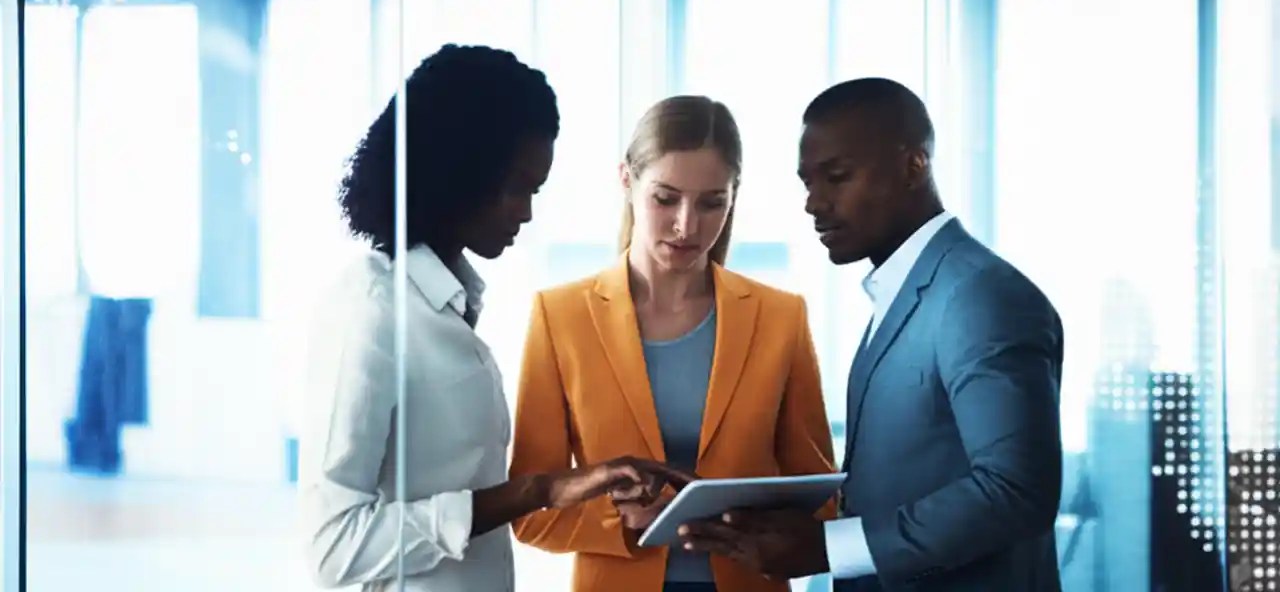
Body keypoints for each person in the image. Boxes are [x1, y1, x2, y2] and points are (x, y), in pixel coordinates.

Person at [299, 44, 677, 592]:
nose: (526, 212)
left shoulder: (449, 304)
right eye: (515, 188)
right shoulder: (371, 311)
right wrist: (534, 492)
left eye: (535, 190)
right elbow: (334, 548)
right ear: (457, 174)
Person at [678, 78, 1065, 591]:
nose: (814, 204)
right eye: (808, 183)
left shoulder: (979, 295)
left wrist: (828, 546)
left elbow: (1017, 490)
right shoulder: (906, 295)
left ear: (914, 165)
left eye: (837, 177)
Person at [508, 95, 837, 592]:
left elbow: (821, 498)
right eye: (666, 199)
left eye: (711, 202)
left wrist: (754, 525)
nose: (687, 225)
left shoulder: (780, 318)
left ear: (734, 197)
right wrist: (622, 522)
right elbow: (530, 511)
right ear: (627, 180)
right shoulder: (561, 317)